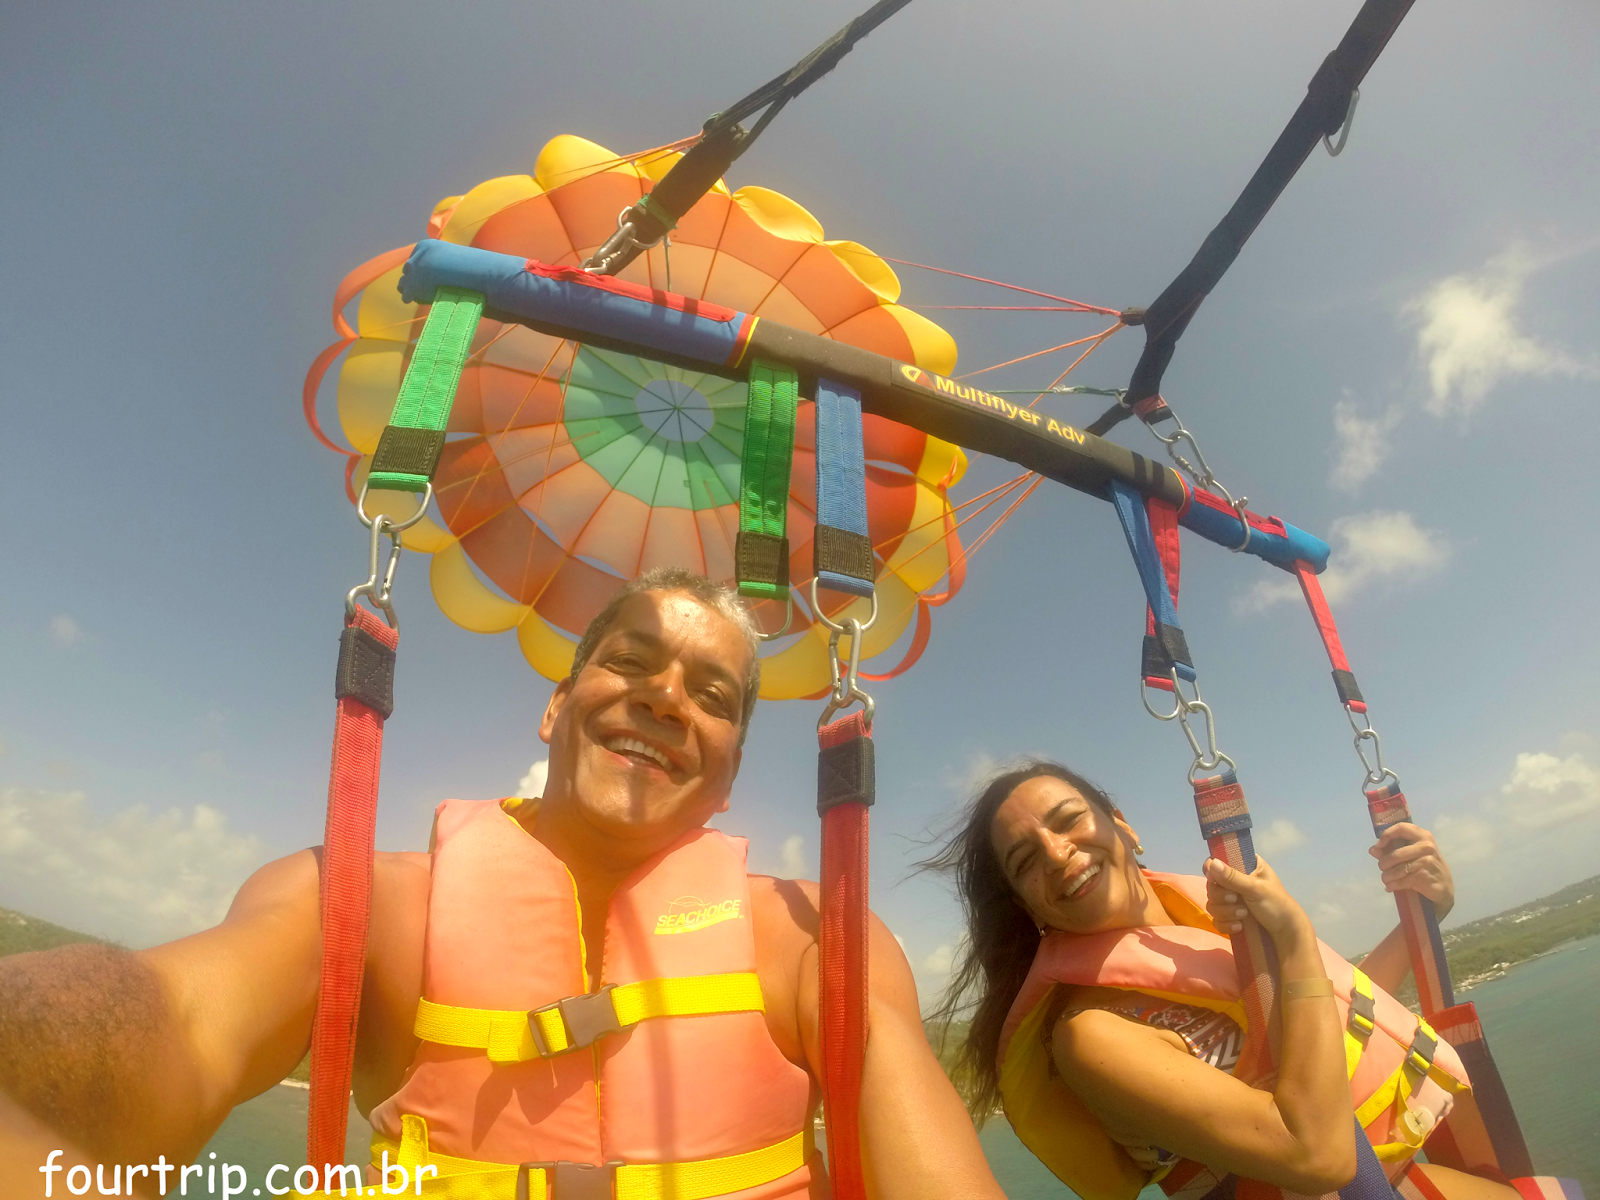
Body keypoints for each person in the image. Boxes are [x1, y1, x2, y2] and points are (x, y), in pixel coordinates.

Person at [0, 568, 1005, 1200]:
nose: (663, 699)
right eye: (632, 664)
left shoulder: (815, 942)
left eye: (709, 696)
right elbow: (173, 1017)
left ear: (731, 771)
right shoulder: (362, 904)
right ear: (555, 707)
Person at [921, 759, 1519, 1200]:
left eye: (1069, 820)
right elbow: (1318, 1155)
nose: (1056, 853)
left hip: (1405, 1180)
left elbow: (1325, 1020)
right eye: (1026, 862)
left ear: (1123, 826)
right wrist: (1294, 940)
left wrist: (1421, 920)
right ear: (1028, 906)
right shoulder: (1092, 1035)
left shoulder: (1200, 932)